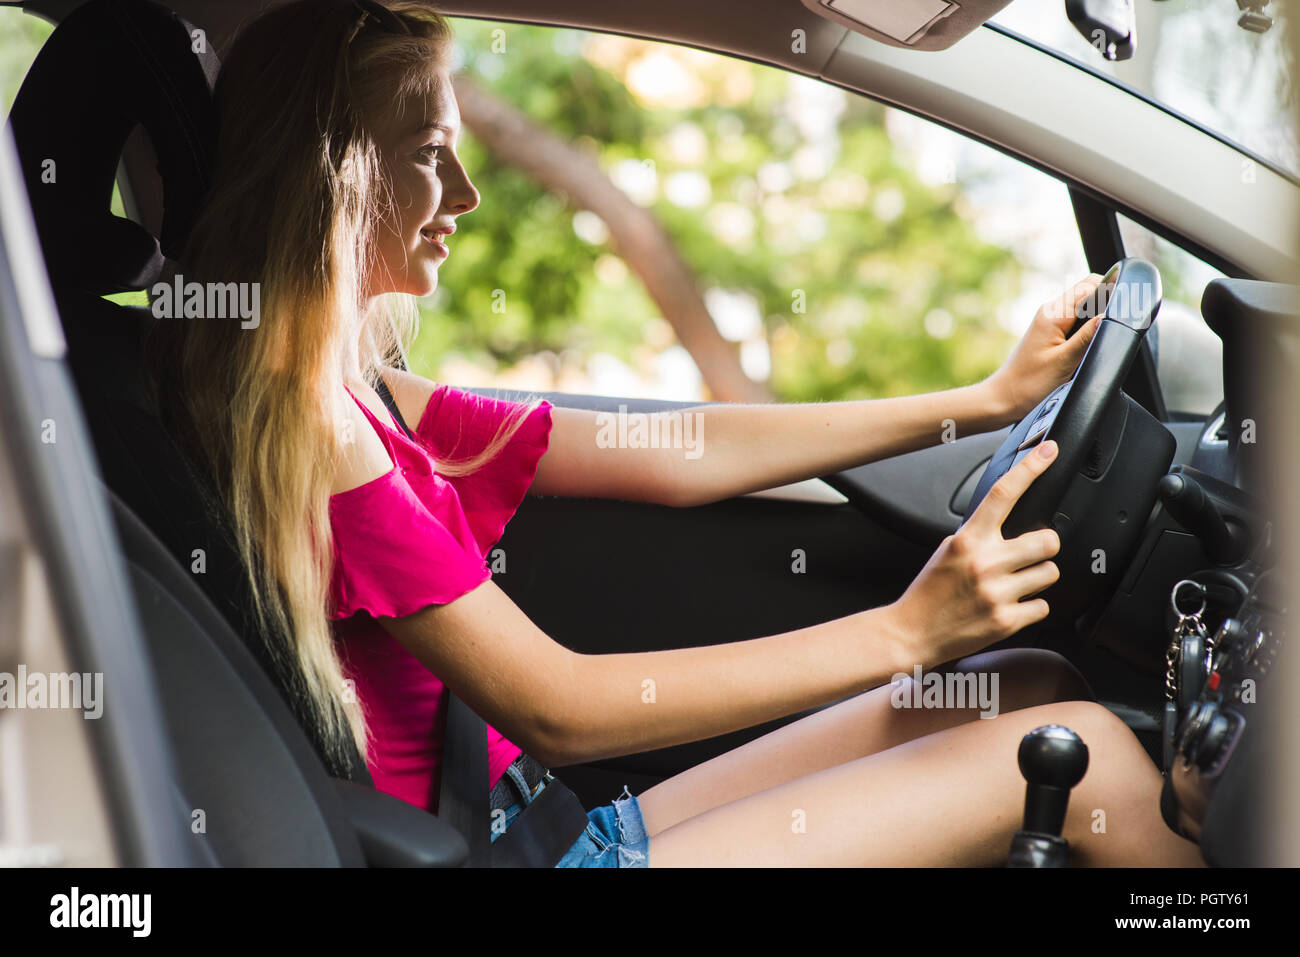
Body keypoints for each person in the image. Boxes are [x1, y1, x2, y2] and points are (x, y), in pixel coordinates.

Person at [150, 0, 1204, 867]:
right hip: (537, 855)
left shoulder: (369, 395)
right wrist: (901, 633)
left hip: (545, 825)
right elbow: (558, 707)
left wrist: (974, 401)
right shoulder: (319, 430)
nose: (464, 198)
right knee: (1096, 764)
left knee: (1027, 686)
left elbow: (672, 452)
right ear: (331, 177)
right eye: (430, 157)